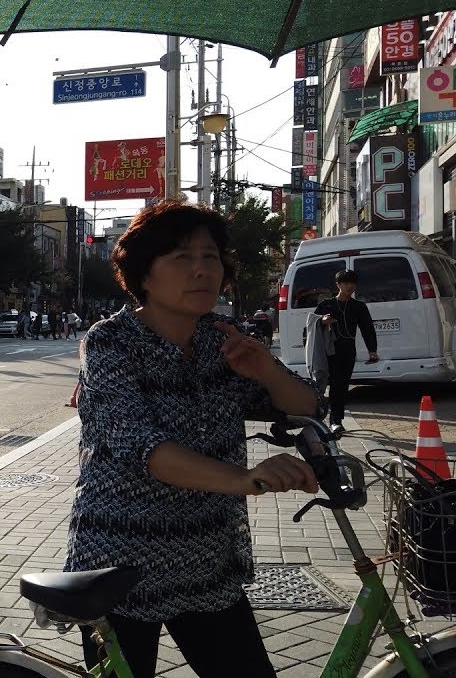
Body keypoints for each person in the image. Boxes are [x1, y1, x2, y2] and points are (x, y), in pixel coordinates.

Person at [66, 201, 319, 678]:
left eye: (211, 257)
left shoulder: (220, 342)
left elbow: (305, 407)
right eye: (182, 257)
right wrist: (248, 479)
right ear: (144, 275)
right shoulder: (109, 343)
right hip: (120, 566)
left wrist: (264, 368)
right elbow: (144, 447)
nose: (202, 269)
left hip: (207, 563)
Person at [314, 270, 379, 434]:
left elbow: (367, 328)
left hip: (348, 351)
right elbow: (310, 326)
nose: (350, 286)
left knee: (341, 386)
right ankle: (325, 419)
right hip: (329, 351)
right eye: (345, 283)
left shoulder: (359, 306)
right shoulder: (326, 305)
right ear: (338, 285)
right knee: (327, 384)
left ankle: (336, 420)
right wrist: (322, 321)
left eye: (352, 283)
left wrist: (372, 350)